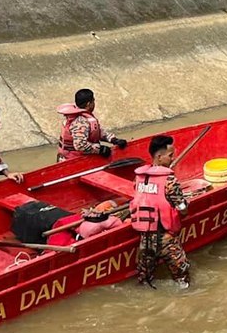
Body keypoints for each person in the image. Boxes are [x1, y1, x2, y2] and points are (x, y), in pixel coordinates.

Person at [128, 135, 191, 289]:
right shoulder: (169, 181)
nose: (172, 158)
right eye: (170, 155)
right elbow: (183, 209)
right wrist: (185, 205)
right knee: (183, 278)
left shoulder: (139, 178)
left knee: (144, 280)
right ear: (159, 156)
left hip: (145, 239)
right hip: (166, 238)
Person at [56, 88, 127, 162]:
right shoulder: (80, 122)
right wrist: (100, 149)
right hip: (73, 161)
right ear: (88, 104)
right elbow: (80, 145)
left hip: (78, 158)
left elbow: (97, 132)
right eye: (93, 101)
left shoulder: (82, 118)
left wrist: (113, 140)